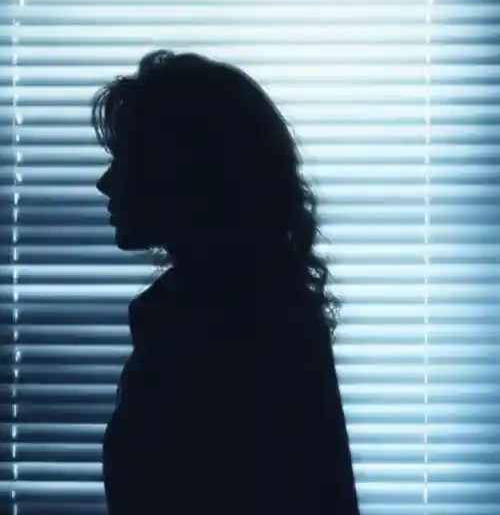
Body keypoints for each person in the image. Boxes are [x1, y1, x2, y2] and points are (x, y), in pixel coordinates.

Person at [93, 50, 360, 514]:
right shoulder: (258, 314)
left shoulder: (231, 336)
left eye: (127, 159)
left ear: (185, 171)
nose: (106, 182)